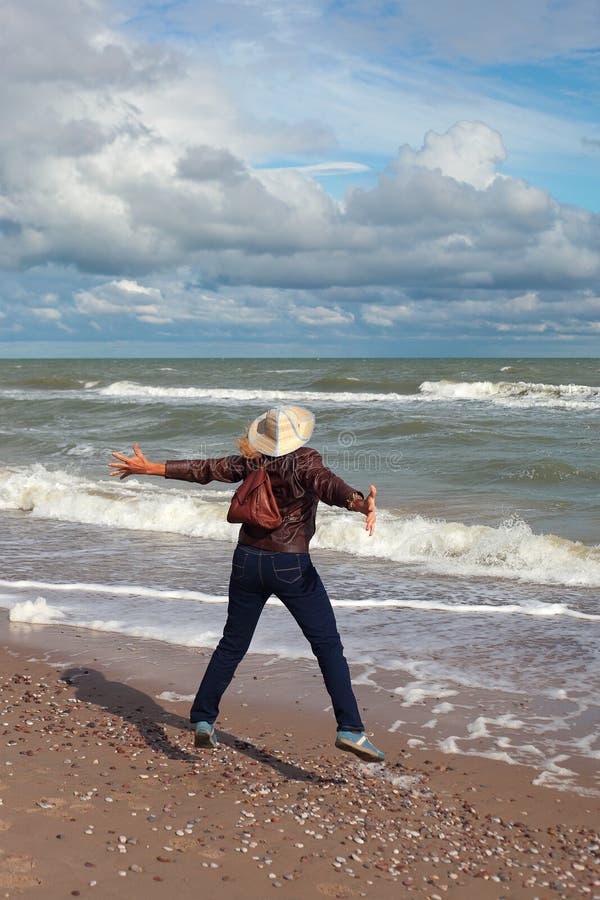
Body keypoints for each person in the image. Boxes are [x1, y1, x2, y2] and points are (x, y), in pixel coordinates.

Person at [110, 404, 384, 762]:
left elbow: (204, 470)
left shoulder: (252, 460)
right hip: (291, 566)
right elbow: (328, 485)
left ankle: (204, 719)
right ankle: (350, 729)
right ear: (298, 435)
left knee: (232, 644)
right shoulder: (306, 460)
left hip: (247, 561)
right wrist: (360, 503)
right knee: (328, 646)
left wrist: (151, 468)